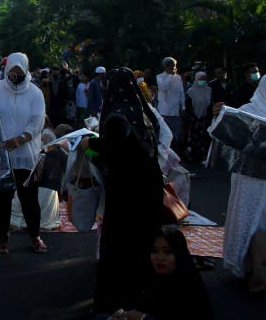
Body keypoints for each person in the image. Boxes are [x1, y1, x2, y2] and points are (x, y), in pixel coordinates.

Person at [82, 68, 164, 315]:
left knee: (120, 244)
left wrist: (89, 145)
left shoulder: (117, 116)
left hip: (126, 190)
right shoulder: (143, 112)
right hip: (149, 186)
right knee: (144, 240)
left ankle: (119, 301)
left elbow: (113, 150)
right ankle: (145, 296)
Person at [0, 52, 48, 255]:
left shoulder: (35, 93)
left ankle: (35, 237)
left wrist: (21, 139)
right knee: (2, 200)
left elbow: (38, 121)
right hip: (3, 156)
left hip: (26, 156)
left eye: (18, 71)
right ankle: (2, 239)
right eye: (11, 70)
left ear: (25, 69)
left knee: (29, 199)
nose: (14, 74)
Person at [215, 75, 266, 280]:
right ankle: (250, 267)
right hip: (249, 179)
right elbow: (228, 143)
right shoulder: (247, 111)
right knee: (251, 221)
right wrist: (219, 117)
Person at [108, 227, 213, 320]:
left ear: (179, 255)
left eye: (167, 252)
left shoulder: (190, 287)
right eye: (155, 251)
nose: (160, 258)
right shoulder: (146, 278)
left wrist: (143, 318)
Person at [156, 57, 185, 154]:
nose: (173, 68)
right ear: (166, 67)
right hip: (164, 112)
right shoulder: (159, 77)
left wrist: (183, 106)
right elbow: (164, 87)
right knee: (165, 136)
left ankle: (176, 156)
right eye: (171, 66)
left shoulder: (178, 78)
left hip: (175, 112)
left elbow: (181, 92)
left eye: (174, 66)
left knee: (176, 136)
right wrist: (170, 76)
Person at [185, 71, 212, 163]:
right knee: (194, 138)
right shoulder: (191, 91)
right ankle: (194, 157)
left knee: (203, 137)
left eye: (204, 79)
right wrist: (193, 117)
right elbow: (188, 106)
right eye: (201, 79)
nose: (203, 81)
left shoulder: (208, 90)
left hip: (205, 118)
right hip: (194, 118)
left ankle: (201, 156)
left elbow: (209, 104)